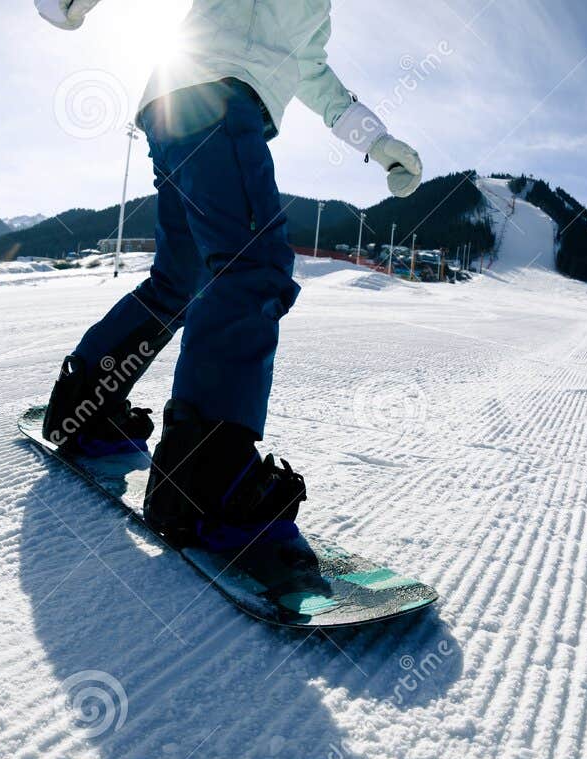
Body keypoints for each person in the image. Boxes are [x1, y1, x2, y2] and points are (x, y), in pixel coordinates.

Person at [36, 0, 423, 551]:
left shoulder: (314, 14)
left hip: (174, 108)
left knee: (179, 281)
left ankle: (85, 403)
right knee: (252, 266)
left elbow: (317, 79)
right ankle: (204, 480)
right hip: (217, 99)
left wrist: (379, 144)